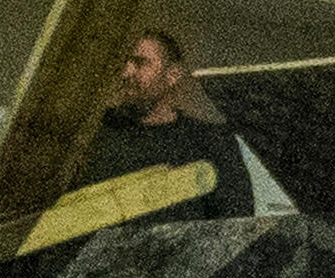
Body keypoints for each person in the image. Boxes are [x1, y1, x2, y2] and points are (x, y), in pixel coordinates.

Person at [95, 31, 257, 218]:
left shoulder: (211, 142)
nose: (126, 73)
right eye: (124, 62)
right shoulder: (96, 132)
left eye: (140, 63)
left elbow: (235, 220)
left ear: (173, 74)